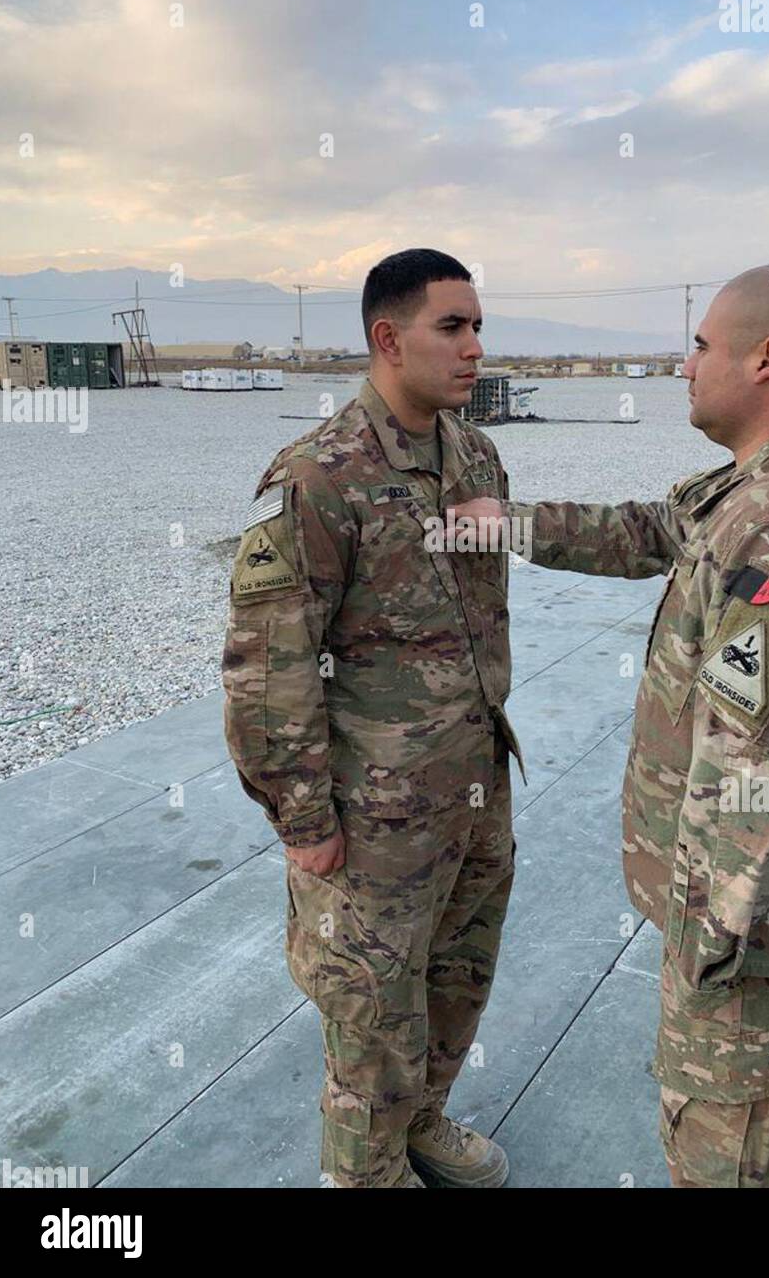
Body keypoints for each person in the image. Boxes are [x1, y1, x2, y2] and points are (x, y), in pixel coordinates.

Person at [453, 264, 769, 1188]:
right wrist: (506, 523)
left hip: (759, 951)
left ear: (765, 358)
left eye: (701, 345)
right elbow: (650, 530)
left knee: (732, 1164)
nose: (684, 366)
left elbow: (758, 777)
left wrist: (703, 955)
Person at [222, 248, 522, 1189]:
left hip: (473, 786)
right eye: (453, 326)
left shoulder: (473, 454)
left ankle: (422, 1123)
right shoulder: (319, 476)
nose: (475, 347)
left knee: (456, 976)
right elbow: (268, 667)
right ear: (387, 339)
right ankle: (365, 1174)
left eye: (478, 326)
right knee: (370, 1010)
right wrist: (302, 818)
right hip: (373, 816)